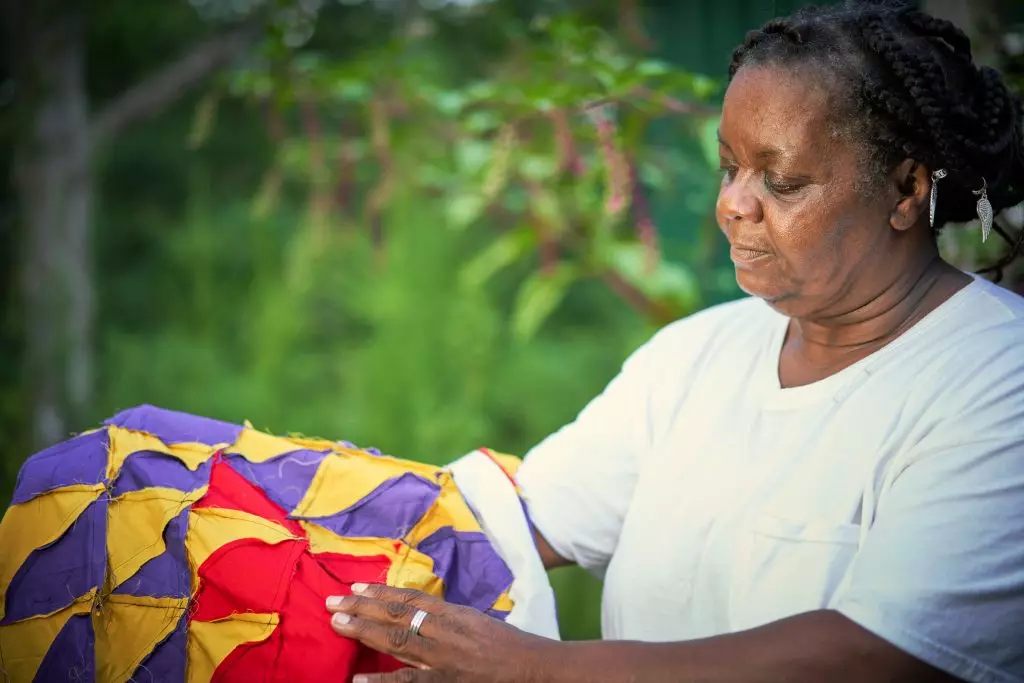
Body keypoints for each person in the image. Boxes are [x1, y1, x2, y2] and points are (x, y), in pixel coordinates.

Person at [325, 1, 1024, 681]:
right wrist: (257, 492)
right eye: (729, 168)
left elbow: (878, 653)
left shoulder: (998, 379)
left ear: (905, 189)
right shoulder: (694, 355)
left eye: (780, 181)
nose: (733, 204)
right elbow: (510, 517)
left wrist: (539, 668)